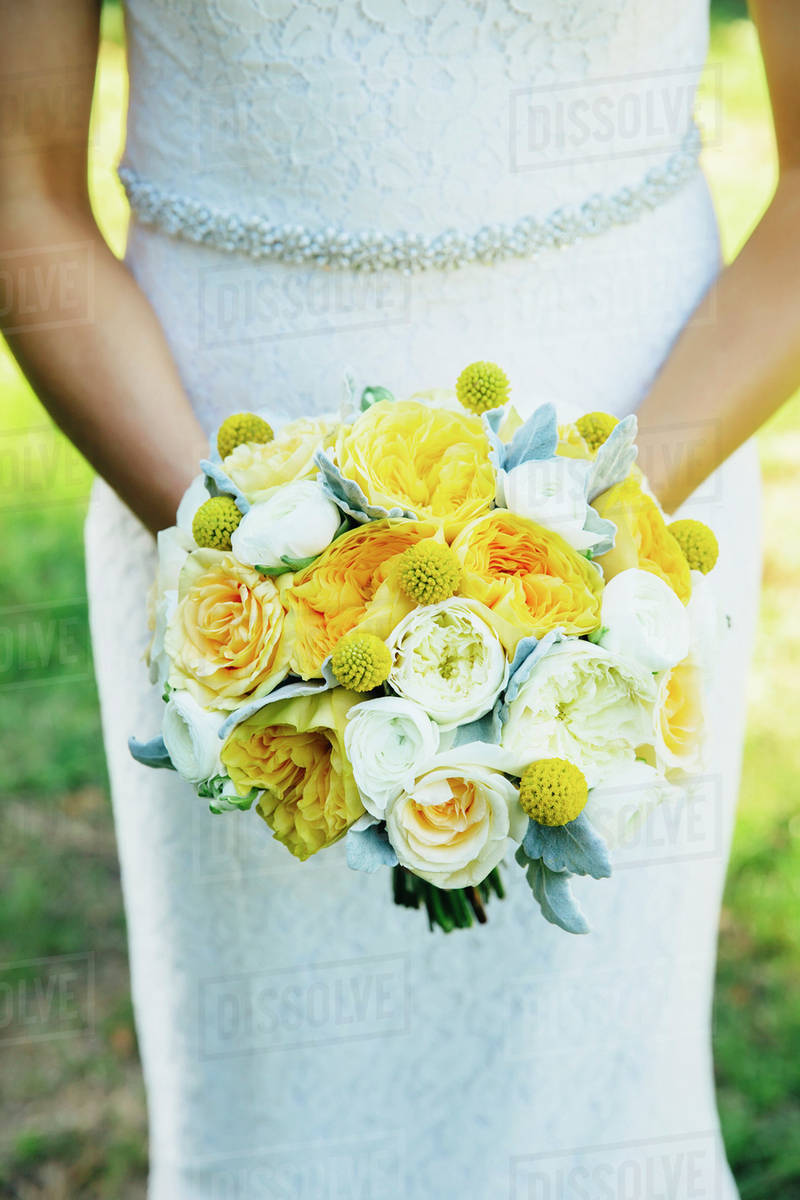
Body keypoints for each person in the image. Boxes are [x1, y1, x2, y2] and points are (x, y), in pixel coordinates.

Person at [1, 2, 797, 1196]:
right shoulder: (223, 546)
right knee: (275, 1111)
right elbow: (21, 186)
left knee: (592, 1094)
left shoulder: (612, 527)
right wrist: (241, 559)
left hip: (637, 451)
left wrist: (594, 538)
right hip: (199, 463)